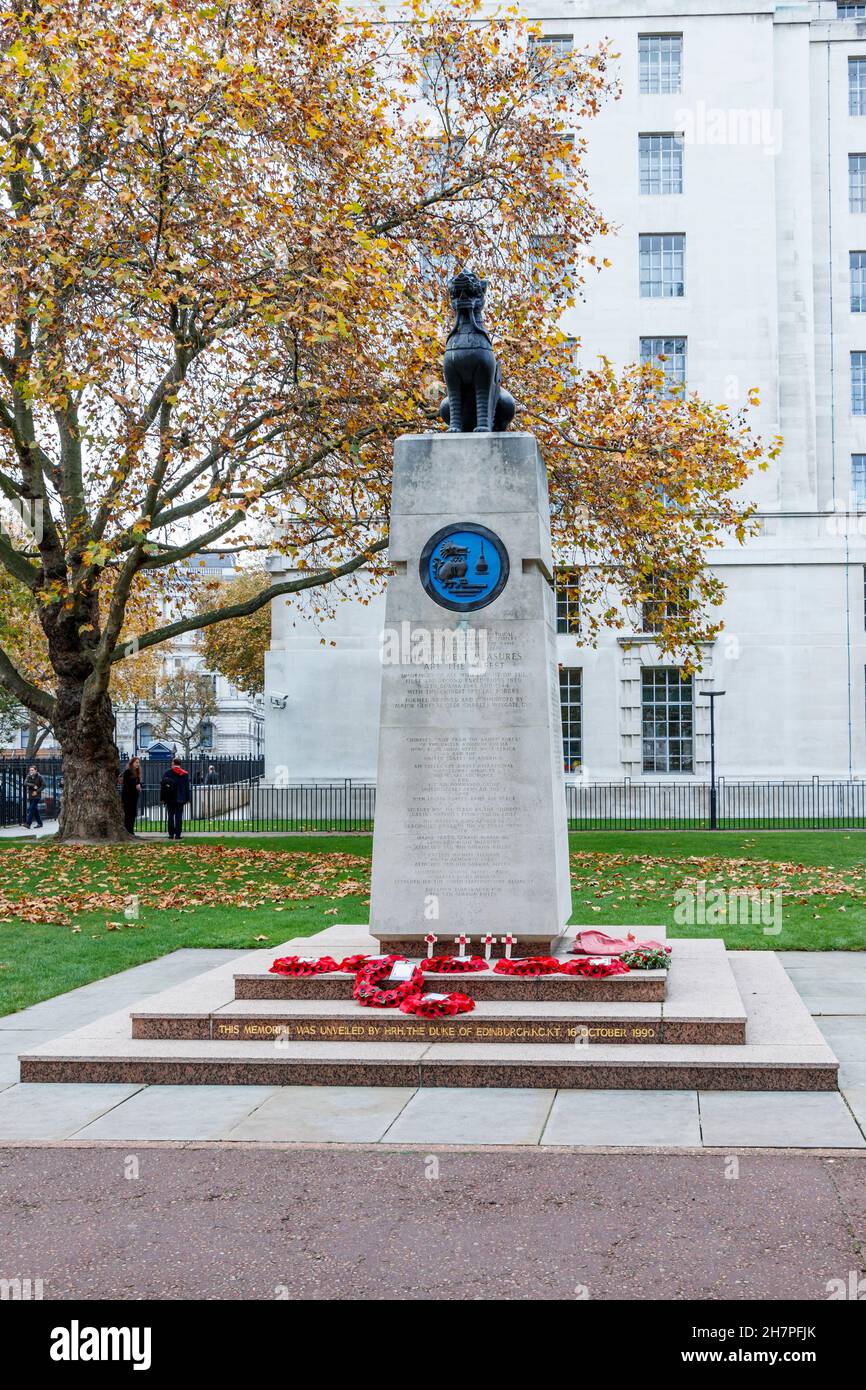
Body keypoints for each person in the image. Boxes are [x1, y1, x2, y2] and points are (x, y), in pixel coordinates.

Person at [159, 759, 191, 840]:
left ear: (173, 763)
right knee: (179, 817)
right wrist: (188, 798)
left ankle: (170, 834)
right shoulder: (185, 774)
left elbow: (163, 785)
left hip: (170, 798)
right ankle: (178, 835)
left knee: (170, 816)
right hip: (180, 798)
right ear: (180, 764)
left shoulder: (168, 772)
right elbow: (187, 787)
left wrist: (162, 798)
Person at [121, 756, 142, 834]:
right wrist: (136, 786)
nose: (138, 764)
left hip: (134, 796)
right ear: (132, 763)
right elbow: (126, 784)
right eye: (136, 762)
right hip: (127, 797)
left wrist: (139, 785)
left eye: (138, 762)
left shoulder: (137, 772)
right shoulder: (127, 772)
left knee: (133, 814)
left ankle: (131, 831)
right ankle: (128, 830)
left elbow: (138, 783)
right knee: (128, 814)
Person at [24, 764, 44, 830]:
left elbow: (44, 785)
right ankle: (40, 823)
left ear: (36, 770)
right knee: (35, 810)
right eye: (30, 770)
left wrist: (37, 791)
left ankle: (28, 824)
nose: (31, 771)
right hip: (30, 796)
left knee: (31, 809)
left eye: (32, 770)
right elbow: (25, 783)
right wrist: (33, 785)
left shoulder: (39, 777)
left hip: (37, 796)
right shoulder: (28, 776)